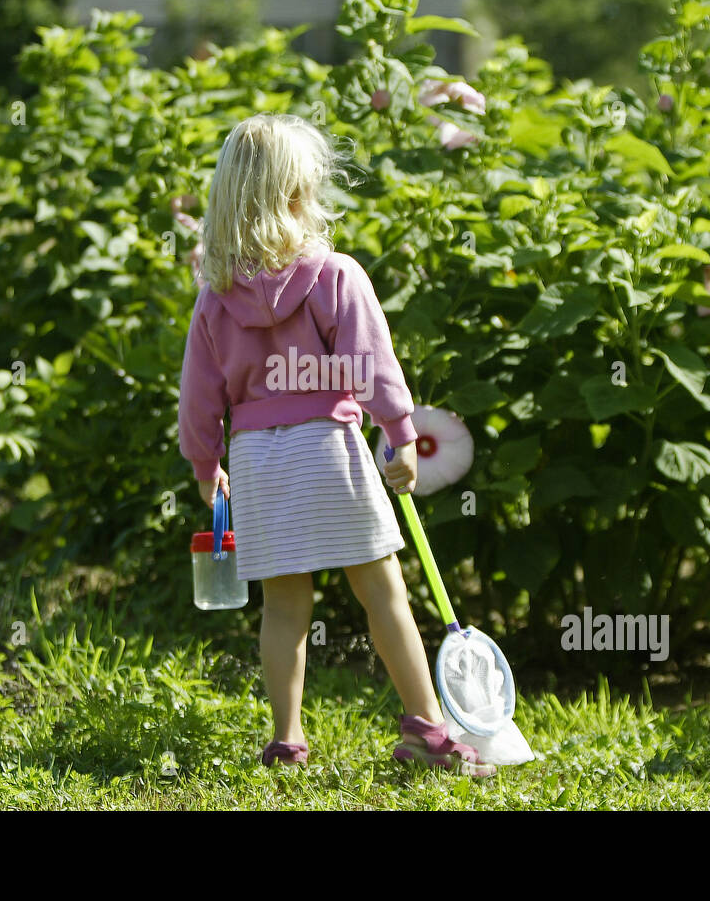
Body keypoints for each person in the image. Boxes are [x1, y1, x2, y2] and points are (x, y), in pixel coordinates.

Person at [177, 113, 494, 777]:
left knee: (285, 606)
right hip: (327, 448)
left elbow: (199, 393)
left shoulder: (215, 296)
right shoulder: (334, 276)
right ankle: (426, 728)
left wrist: (207, 464)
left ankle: (287, 737)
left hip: (259, 458)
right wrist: (400, 432)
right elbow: (371, 365)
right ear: (298, 196)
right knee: (382, 594)